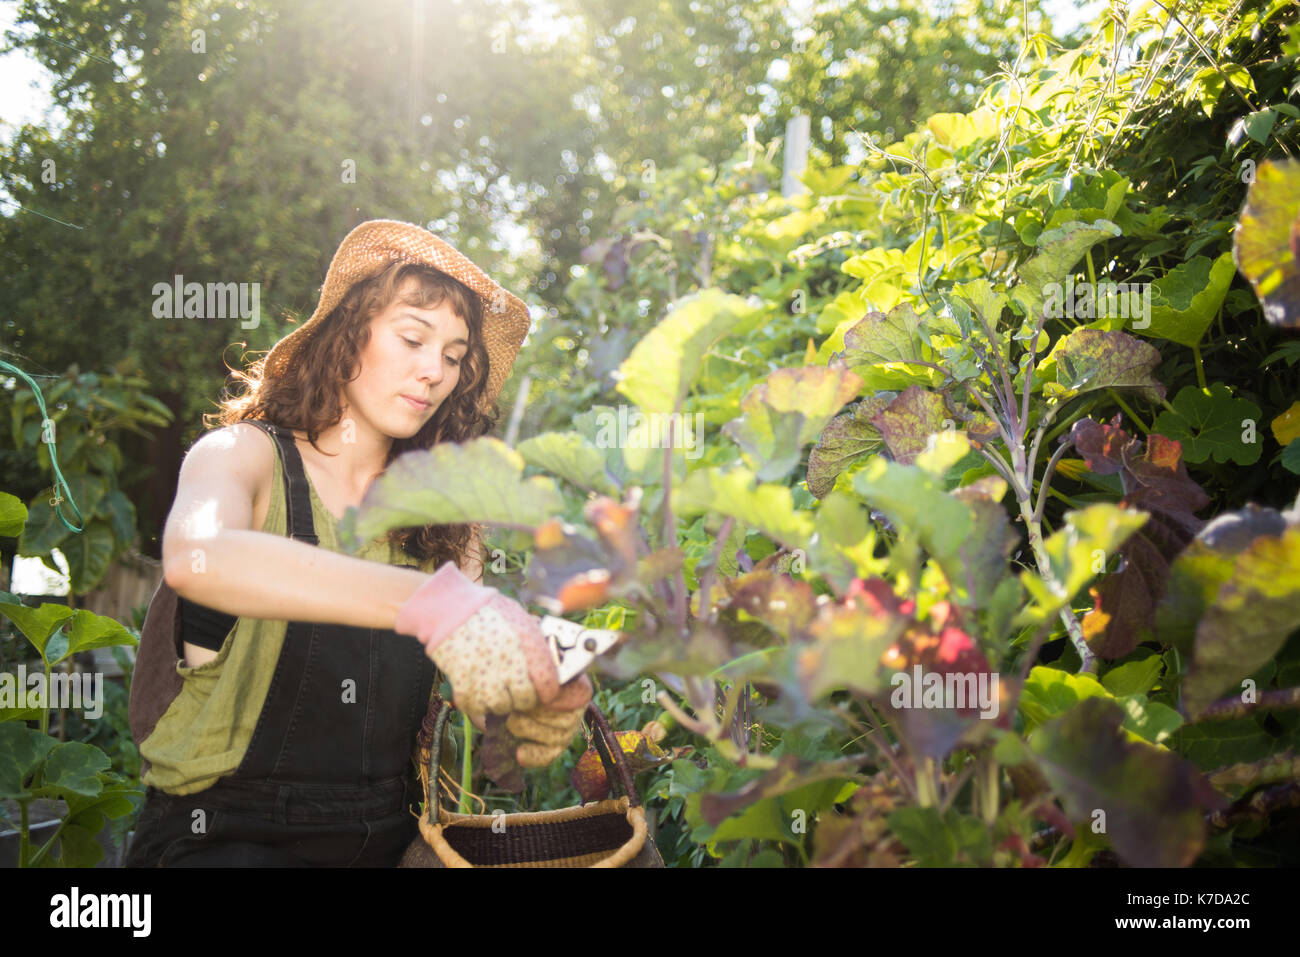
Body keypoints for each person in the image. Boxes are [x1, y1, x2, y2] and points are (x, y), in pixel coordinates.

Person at [124, 219, 592, 867]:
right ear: (349, 335)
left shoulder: (449, 524)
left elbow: (473, 689)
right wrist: (438, 604)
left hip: (390, 840)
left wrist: (534, 695)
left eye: (455, 357)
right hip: (226, 834)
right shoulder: (244, 458)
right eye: (412, 337)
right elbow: (201, 557)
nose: (433, 371)